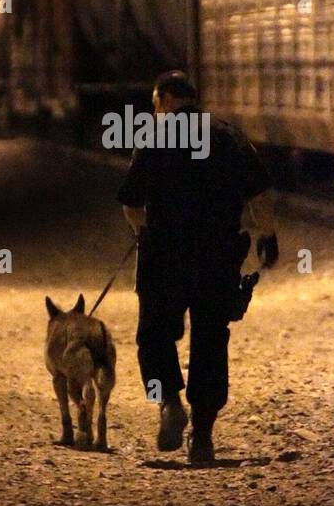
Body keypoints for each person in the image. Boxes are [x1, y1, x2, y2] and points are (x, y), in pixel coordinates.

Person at [118, 70, 278, 466]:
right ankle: (203, 436)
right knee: (210, 339)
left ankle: (169, 402)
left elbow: (131, 204)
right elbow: (259, 193)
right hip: (217, 254)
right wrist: (266, 236)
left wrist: (145, 235)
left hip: (163, 258)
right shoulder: (227, 136)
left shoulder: (153, 137)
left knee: (154, 337)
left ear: (162, 100)